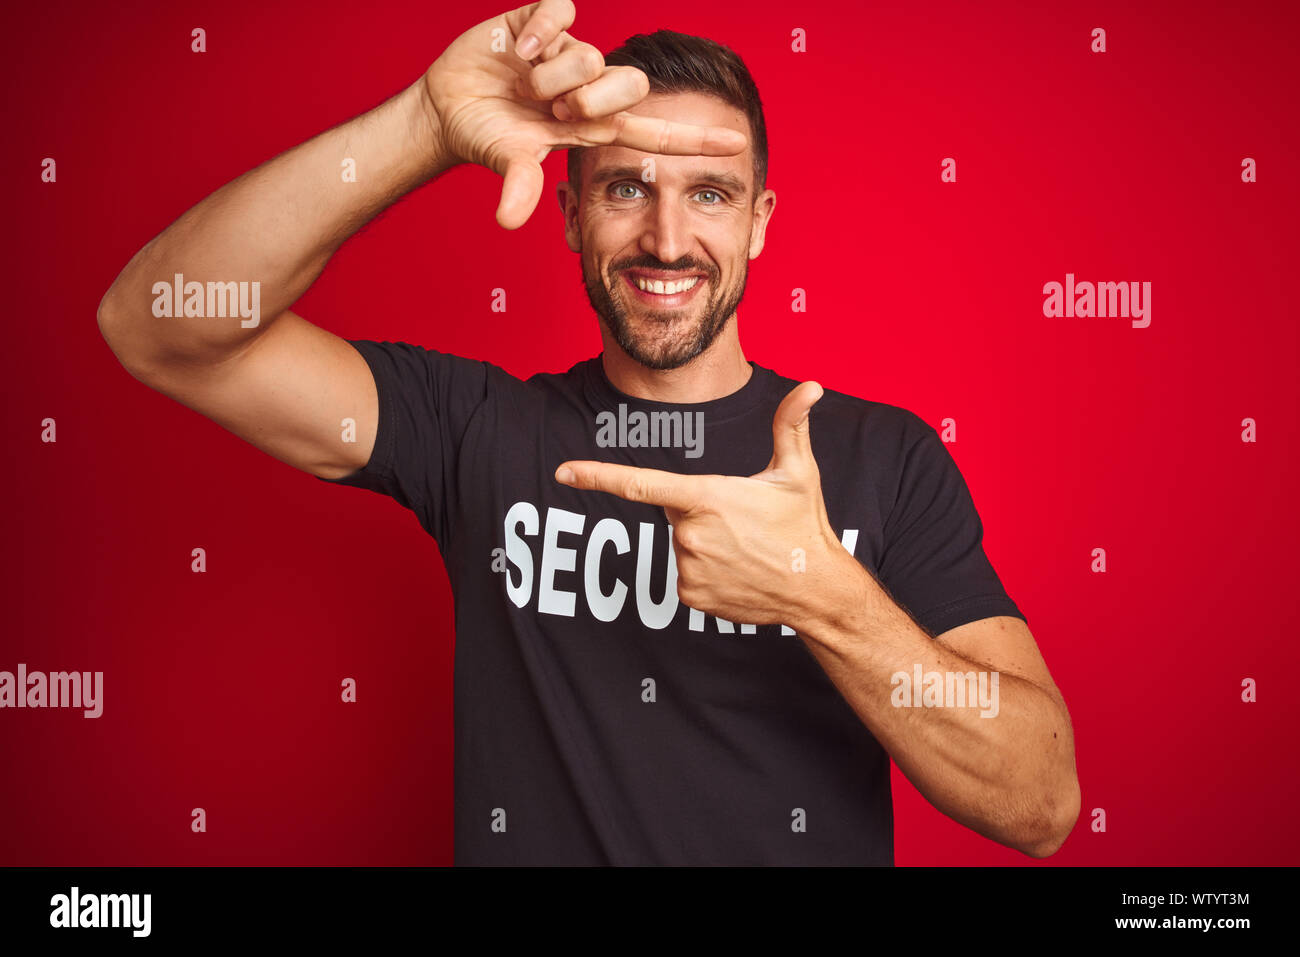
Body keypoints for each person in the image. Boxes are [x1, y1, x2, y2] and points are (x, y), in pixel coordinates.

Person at [97, 0, 1080, 865]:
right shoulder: (475, 429)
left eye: (708, 193)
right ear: (568, 214)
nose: (665, 239)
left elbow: (1038, 805)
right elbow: (160, 328)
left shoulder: (885, 457)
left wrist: (819, 595)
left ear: (760, 222)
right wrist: (424, 127)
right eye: (623, 189)